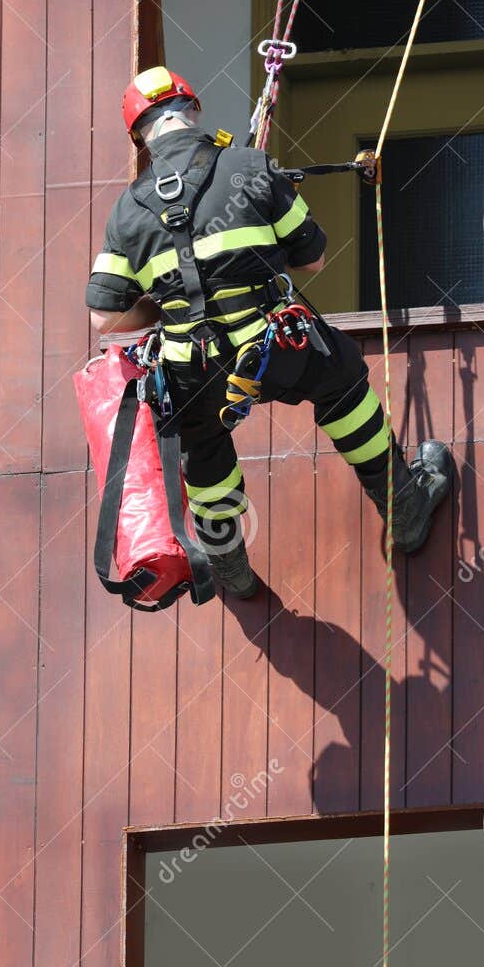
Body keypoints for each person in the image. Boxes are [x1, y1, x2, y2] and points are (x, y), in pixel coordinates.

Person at [85, 65, 454, 599]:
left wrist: (172, 309)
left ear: (139, 134)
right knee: (342, 379)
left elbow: (105, 318)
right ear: (192, 110)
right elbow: (315, 259)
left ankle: (229, 564)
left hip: (191, 368)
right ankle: (404, 506)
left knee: (202, 441)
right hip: (271, 347)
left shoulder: (127, 211)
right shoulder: (247, 165)